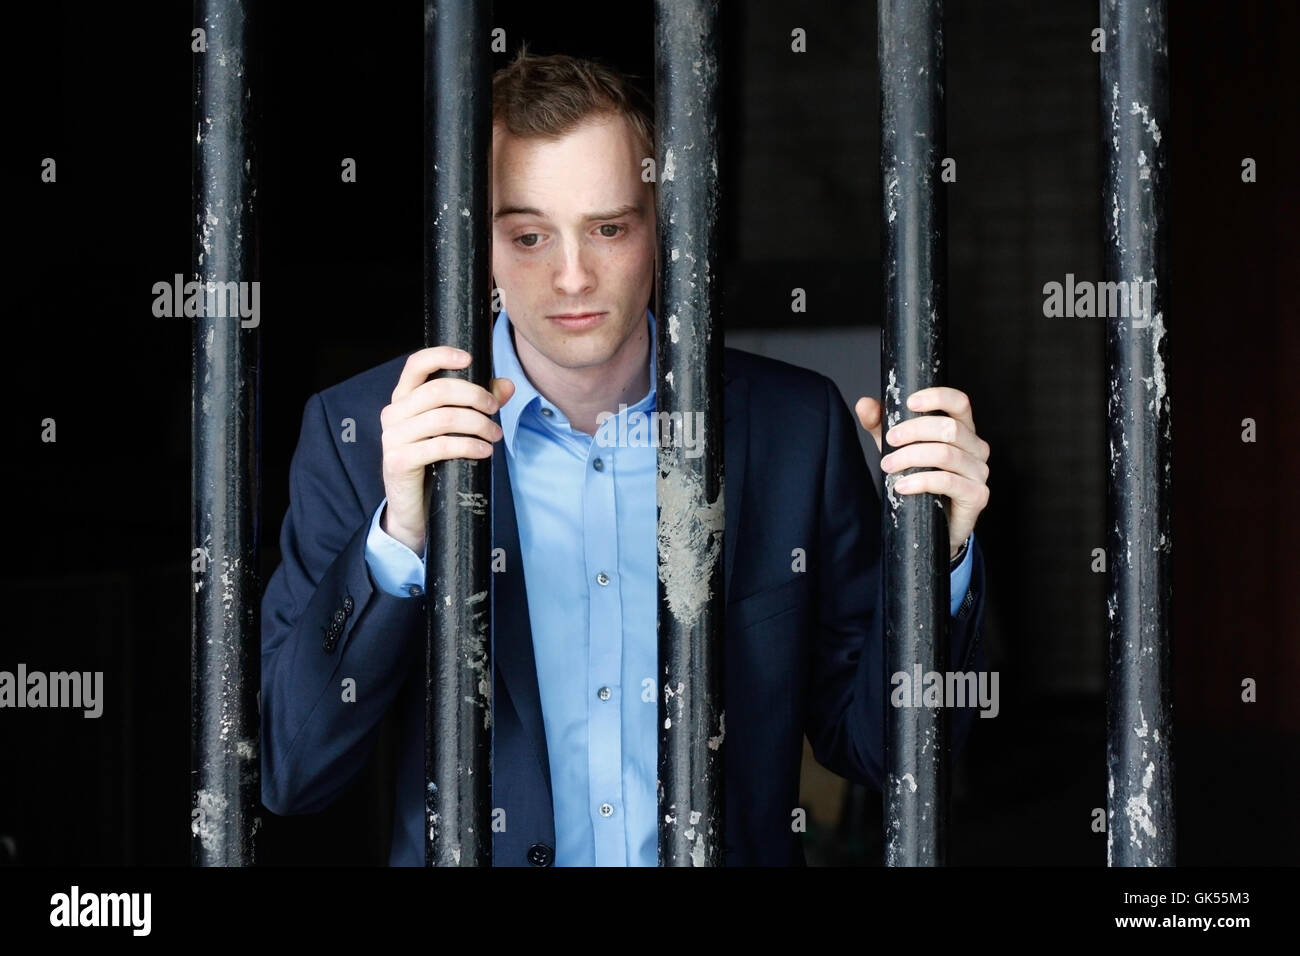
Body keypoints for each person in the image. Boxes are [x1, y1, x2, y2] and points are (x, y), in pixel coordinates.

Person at [260, 48, 992, 867]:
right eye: (529, 235)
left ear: (662, 226)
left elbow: (886, 752)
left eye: (609, 228)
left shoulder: (792, 426)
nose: (572, 276)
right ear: (476, 244)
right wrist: (399, 537)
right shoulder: (366, 431)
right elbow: (293, 773)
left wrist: (940, 553)